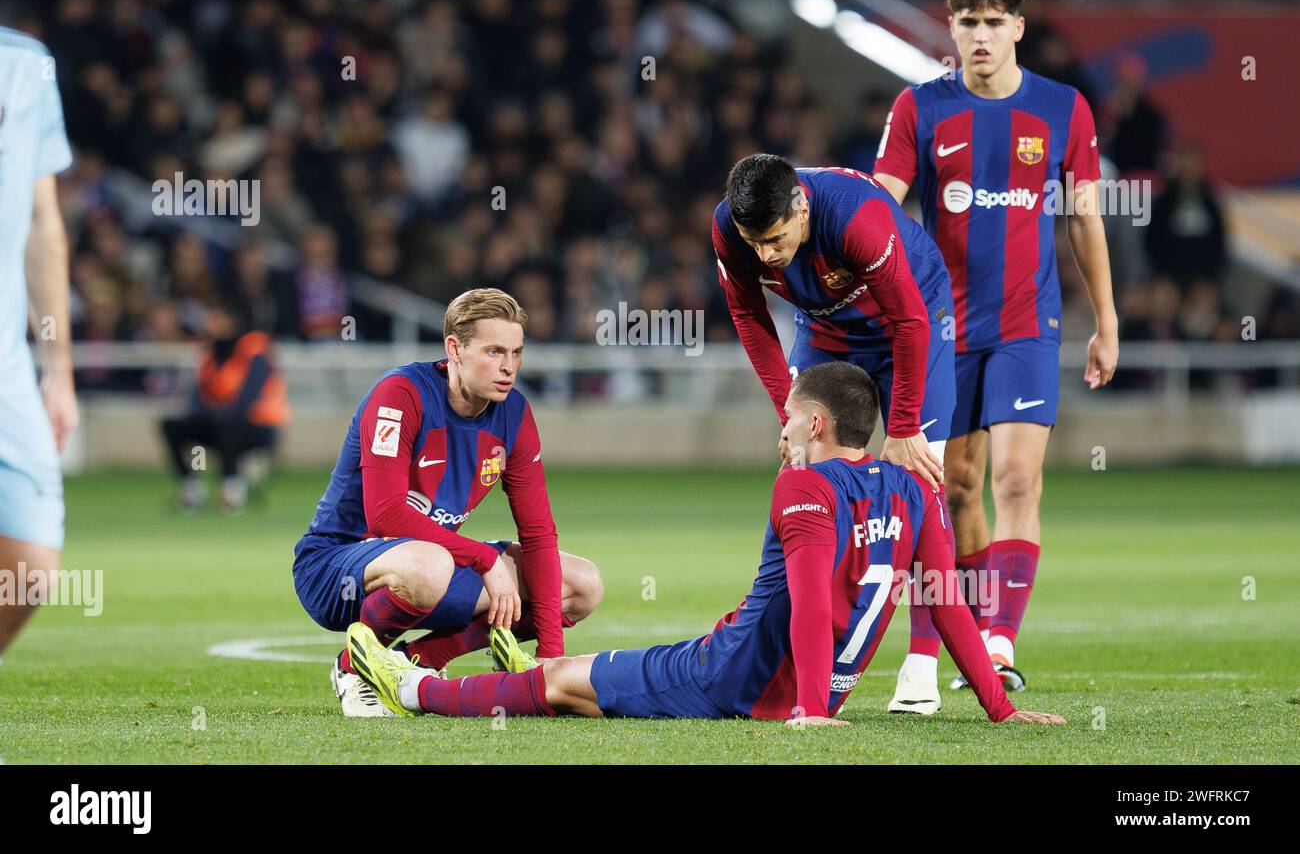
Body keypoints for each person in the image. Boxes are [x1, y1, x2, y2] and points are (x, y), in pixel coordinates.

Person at [346, 362, 1065, 728]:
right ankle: (443, 666)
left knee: (564, 682)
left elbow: (812, 602)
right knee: (582, 689)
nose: (780, 431)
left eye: (788, 418)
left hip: (728, 677)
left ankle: (413, 685)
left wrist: (809, 713)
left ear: (815, 425)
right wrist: (998, 707)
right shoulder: (915, 491)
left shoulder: (803, 487)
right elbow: (946, 604)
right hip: (792, 687)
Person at [873, 0, 1118, 704]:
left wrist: (1105, 322)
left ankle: (999, 641)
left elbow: (1083, 217)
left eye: (994, 21)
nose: (981, 34)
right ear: (952, 28)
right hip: (940, 327)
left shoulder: (1063, 109)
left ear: (1018, 27)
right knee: (952, 488)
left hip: (1025, 324)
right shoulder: (919, 108)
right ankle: (937, 652)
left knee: (1016, 479)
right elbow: (879, 207)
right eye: (968, 22)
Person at [713, 154, 956, 714]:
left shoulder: (856, 218)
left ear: (801, 206)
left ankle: (921, 667)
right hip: (825, 329)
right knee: (800, 473)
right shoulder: (730, 226)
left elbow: (911, 323)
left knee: (919, 479)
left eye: (775, 239)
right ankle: (781, 655)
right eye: (755, 244)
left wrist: (901, 427)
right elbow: (750, 319)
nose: (766, 255)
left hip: (914, 318)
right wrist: (788, 414)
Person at [291, 287, 603, 716]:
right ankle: (354, 670)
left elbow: (538, 533)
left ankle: (416, 662)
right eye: (494, 352)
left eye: (516, 352)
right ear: (454, 348)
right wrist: (485, 559)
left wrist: (551, 655)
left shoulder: (514, 413)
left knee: (583, 584)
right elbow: (385, 515)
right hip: (335, 567)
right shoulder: (400, 395)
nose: (509, 367)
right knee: (432, 565)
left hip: (428, 563)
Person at [0, 26, 79, 658]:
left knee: (28, 567)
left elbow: (43, 224)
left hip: (7, 365)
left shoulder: (26, 65)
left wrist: (58, 371)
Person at [160, 304, 289, 512]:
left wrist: (215, 415)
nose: (209, 325)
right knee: (172, 425)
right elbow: (198, 401)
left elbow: (249, 396)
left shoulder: (254, 349)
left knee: (227, 422)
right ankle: (192, 489)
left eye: (216, 320)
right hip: (221, 422)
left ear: (232, 323)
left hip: (259, 426)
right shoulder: (210, 356)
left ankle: (232, 489)